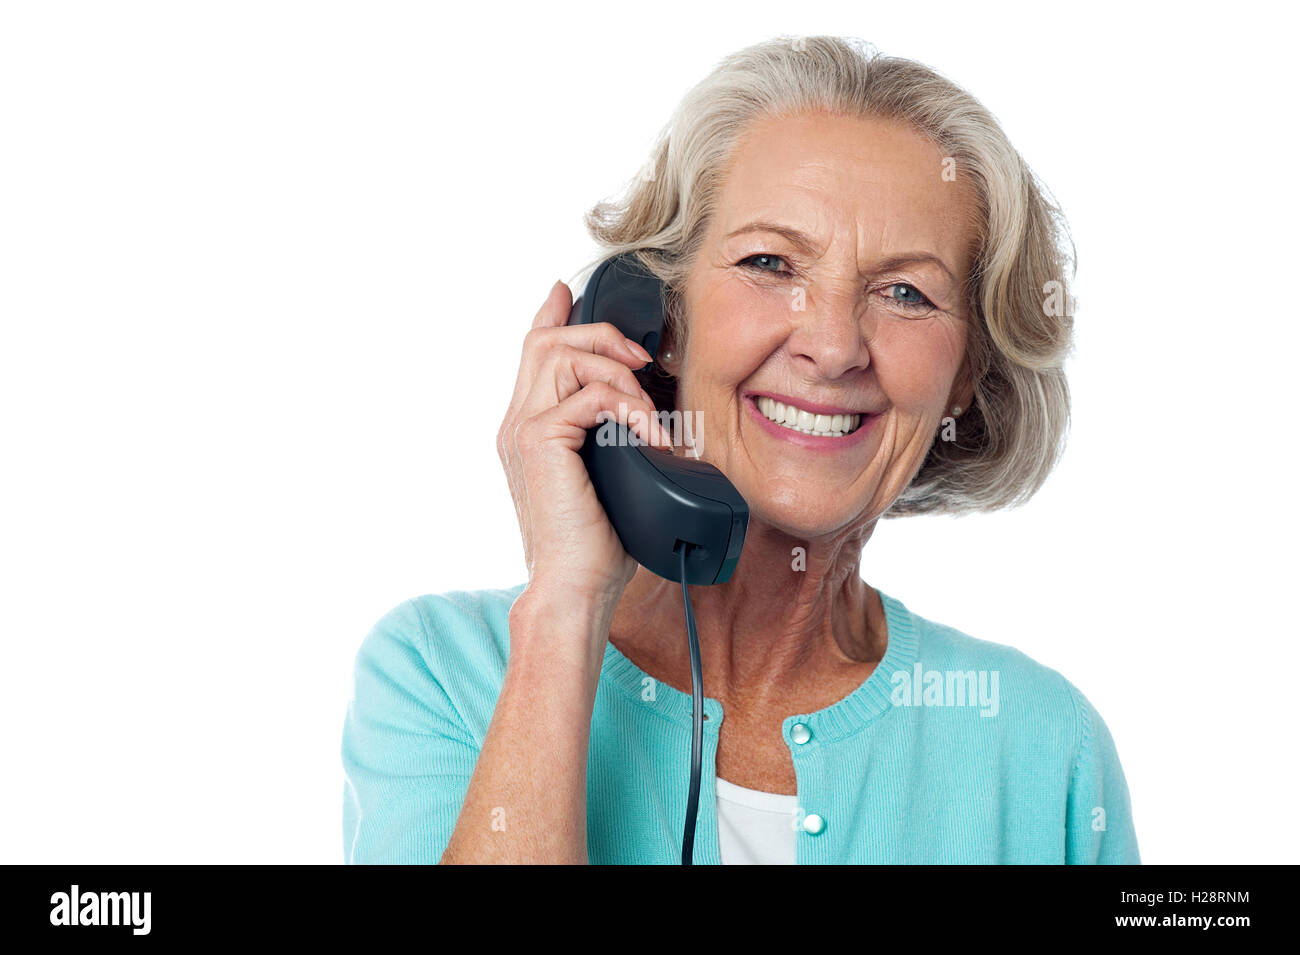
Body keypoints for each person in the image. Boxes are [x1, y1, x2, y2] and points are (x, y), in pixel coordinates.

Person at [341, 34, 1139, 865]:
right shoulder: (441, 672)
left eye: (905, 292)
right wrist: (565, 604)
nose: (834, 347)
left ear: (969, 369)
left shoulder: (1044, 748)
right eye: (769, 262)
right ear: (661, 323)